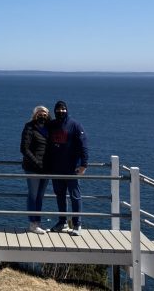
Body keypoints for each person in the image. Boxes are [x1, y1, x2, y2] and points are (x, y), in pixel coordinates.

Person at [46, 100, 88, 235]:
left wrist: (84, 165)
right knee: (60, 196)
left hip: (72, 169)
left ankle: (77, 224)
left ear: (67, 110)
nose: (61, 111)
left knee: (75, 196)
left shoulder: (75, 125)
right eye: (58, 109)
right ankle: (62, 222)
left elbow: (84, 145)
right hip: (56, 168)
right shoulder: (51, 125)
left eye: (63, 109)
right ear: (54, 111)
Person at [20, 105, 50, 234]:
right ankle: (32, 224)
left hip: (46, 168)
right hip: (33, 168)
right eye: (39, 113)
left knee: (40, 196)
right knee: (33, 195)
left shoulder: (50, 128)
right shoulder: (29, 127)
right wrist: (36, 162)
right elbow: (24, 148)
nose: (42, 115)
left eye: (44, 113)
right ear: (34, 114)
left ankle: (38, 223)